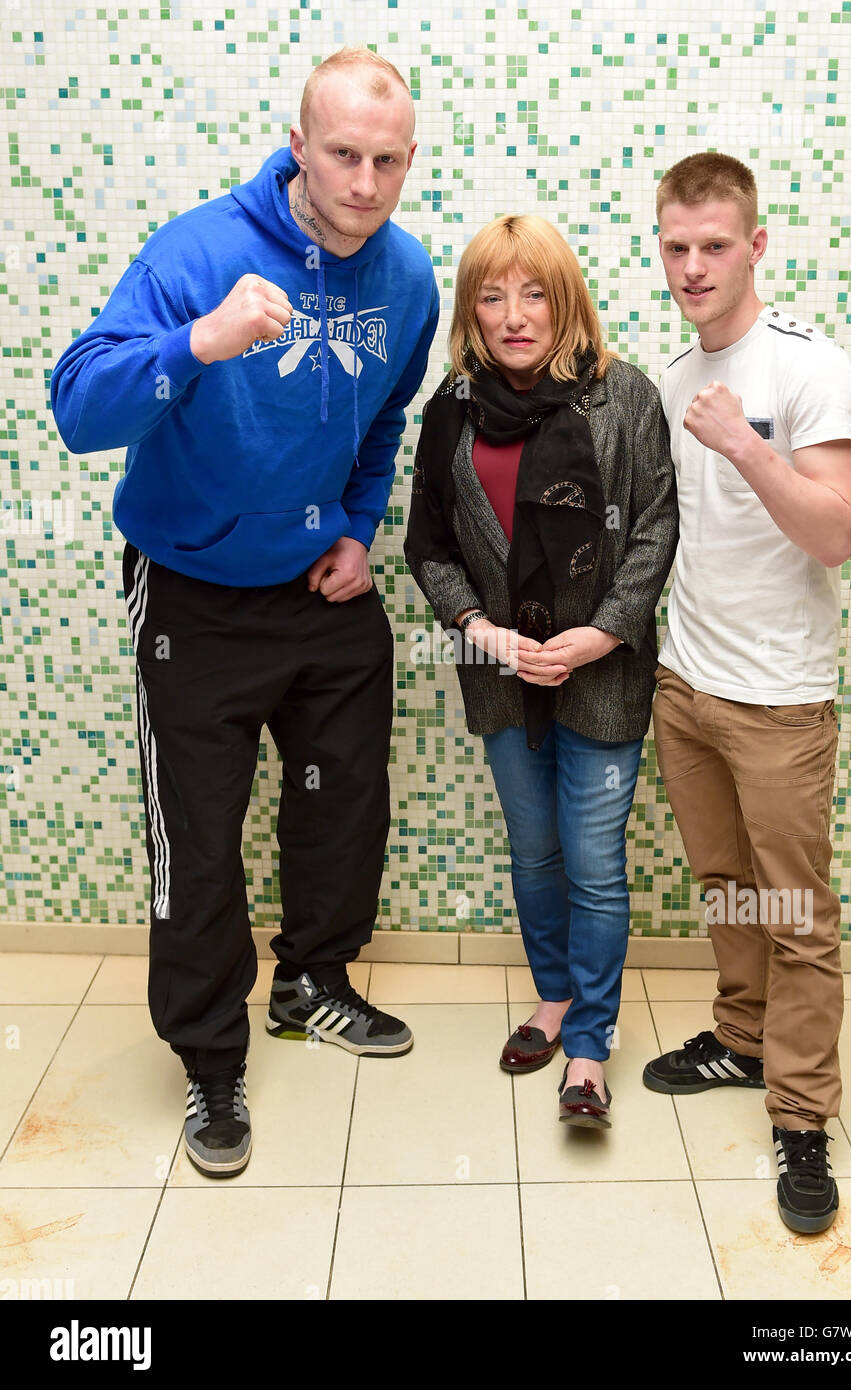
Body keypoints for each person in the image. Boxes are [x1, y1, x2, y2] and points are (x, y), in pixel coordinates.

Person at [50, 48, 439, 1178]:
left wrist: (360, 528)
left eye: (387, 161)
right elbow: (78, 404)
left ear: (407, 160)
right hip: (194, 594)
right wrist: (197, 344)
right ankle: (211, 1058)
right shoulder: (197, 253)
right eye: (343, 156)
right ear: (296, 146)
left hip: (319, 593)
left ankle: (314, 980)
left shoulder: (406, 276)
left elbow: (382, 418)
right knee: (201, 843)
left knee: (342, 804)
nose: (364, 183)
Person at [405, 215, 677, 1128]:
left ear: (566, 302)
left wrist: (602, 633)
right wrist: (476, 627)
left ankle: (590, 1047)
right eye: (491, 295)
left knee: (595, 865)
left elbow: (654, 529)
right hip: (500, 675)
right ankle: (553, 998)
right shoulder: (450, 408)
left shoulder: (623, 398)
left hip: (601, 674)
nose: (514, 316)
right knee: (535, 853)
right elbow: (430, 547)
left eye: (534, 293)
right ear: (471, 310)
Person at [642, 152, 851, 1232]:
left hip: (778, 699)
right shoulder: (673, 371)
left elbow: (836, 530)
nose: (691, 267)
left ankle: (803, 1114)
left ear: (754, 245)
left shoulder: (805, 369)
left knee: (798, 913)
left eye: (713, 246)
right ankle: (739, 1037)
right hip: (687, 684)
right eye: (675, 247)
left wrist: (743, 445)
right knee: (726, 882)